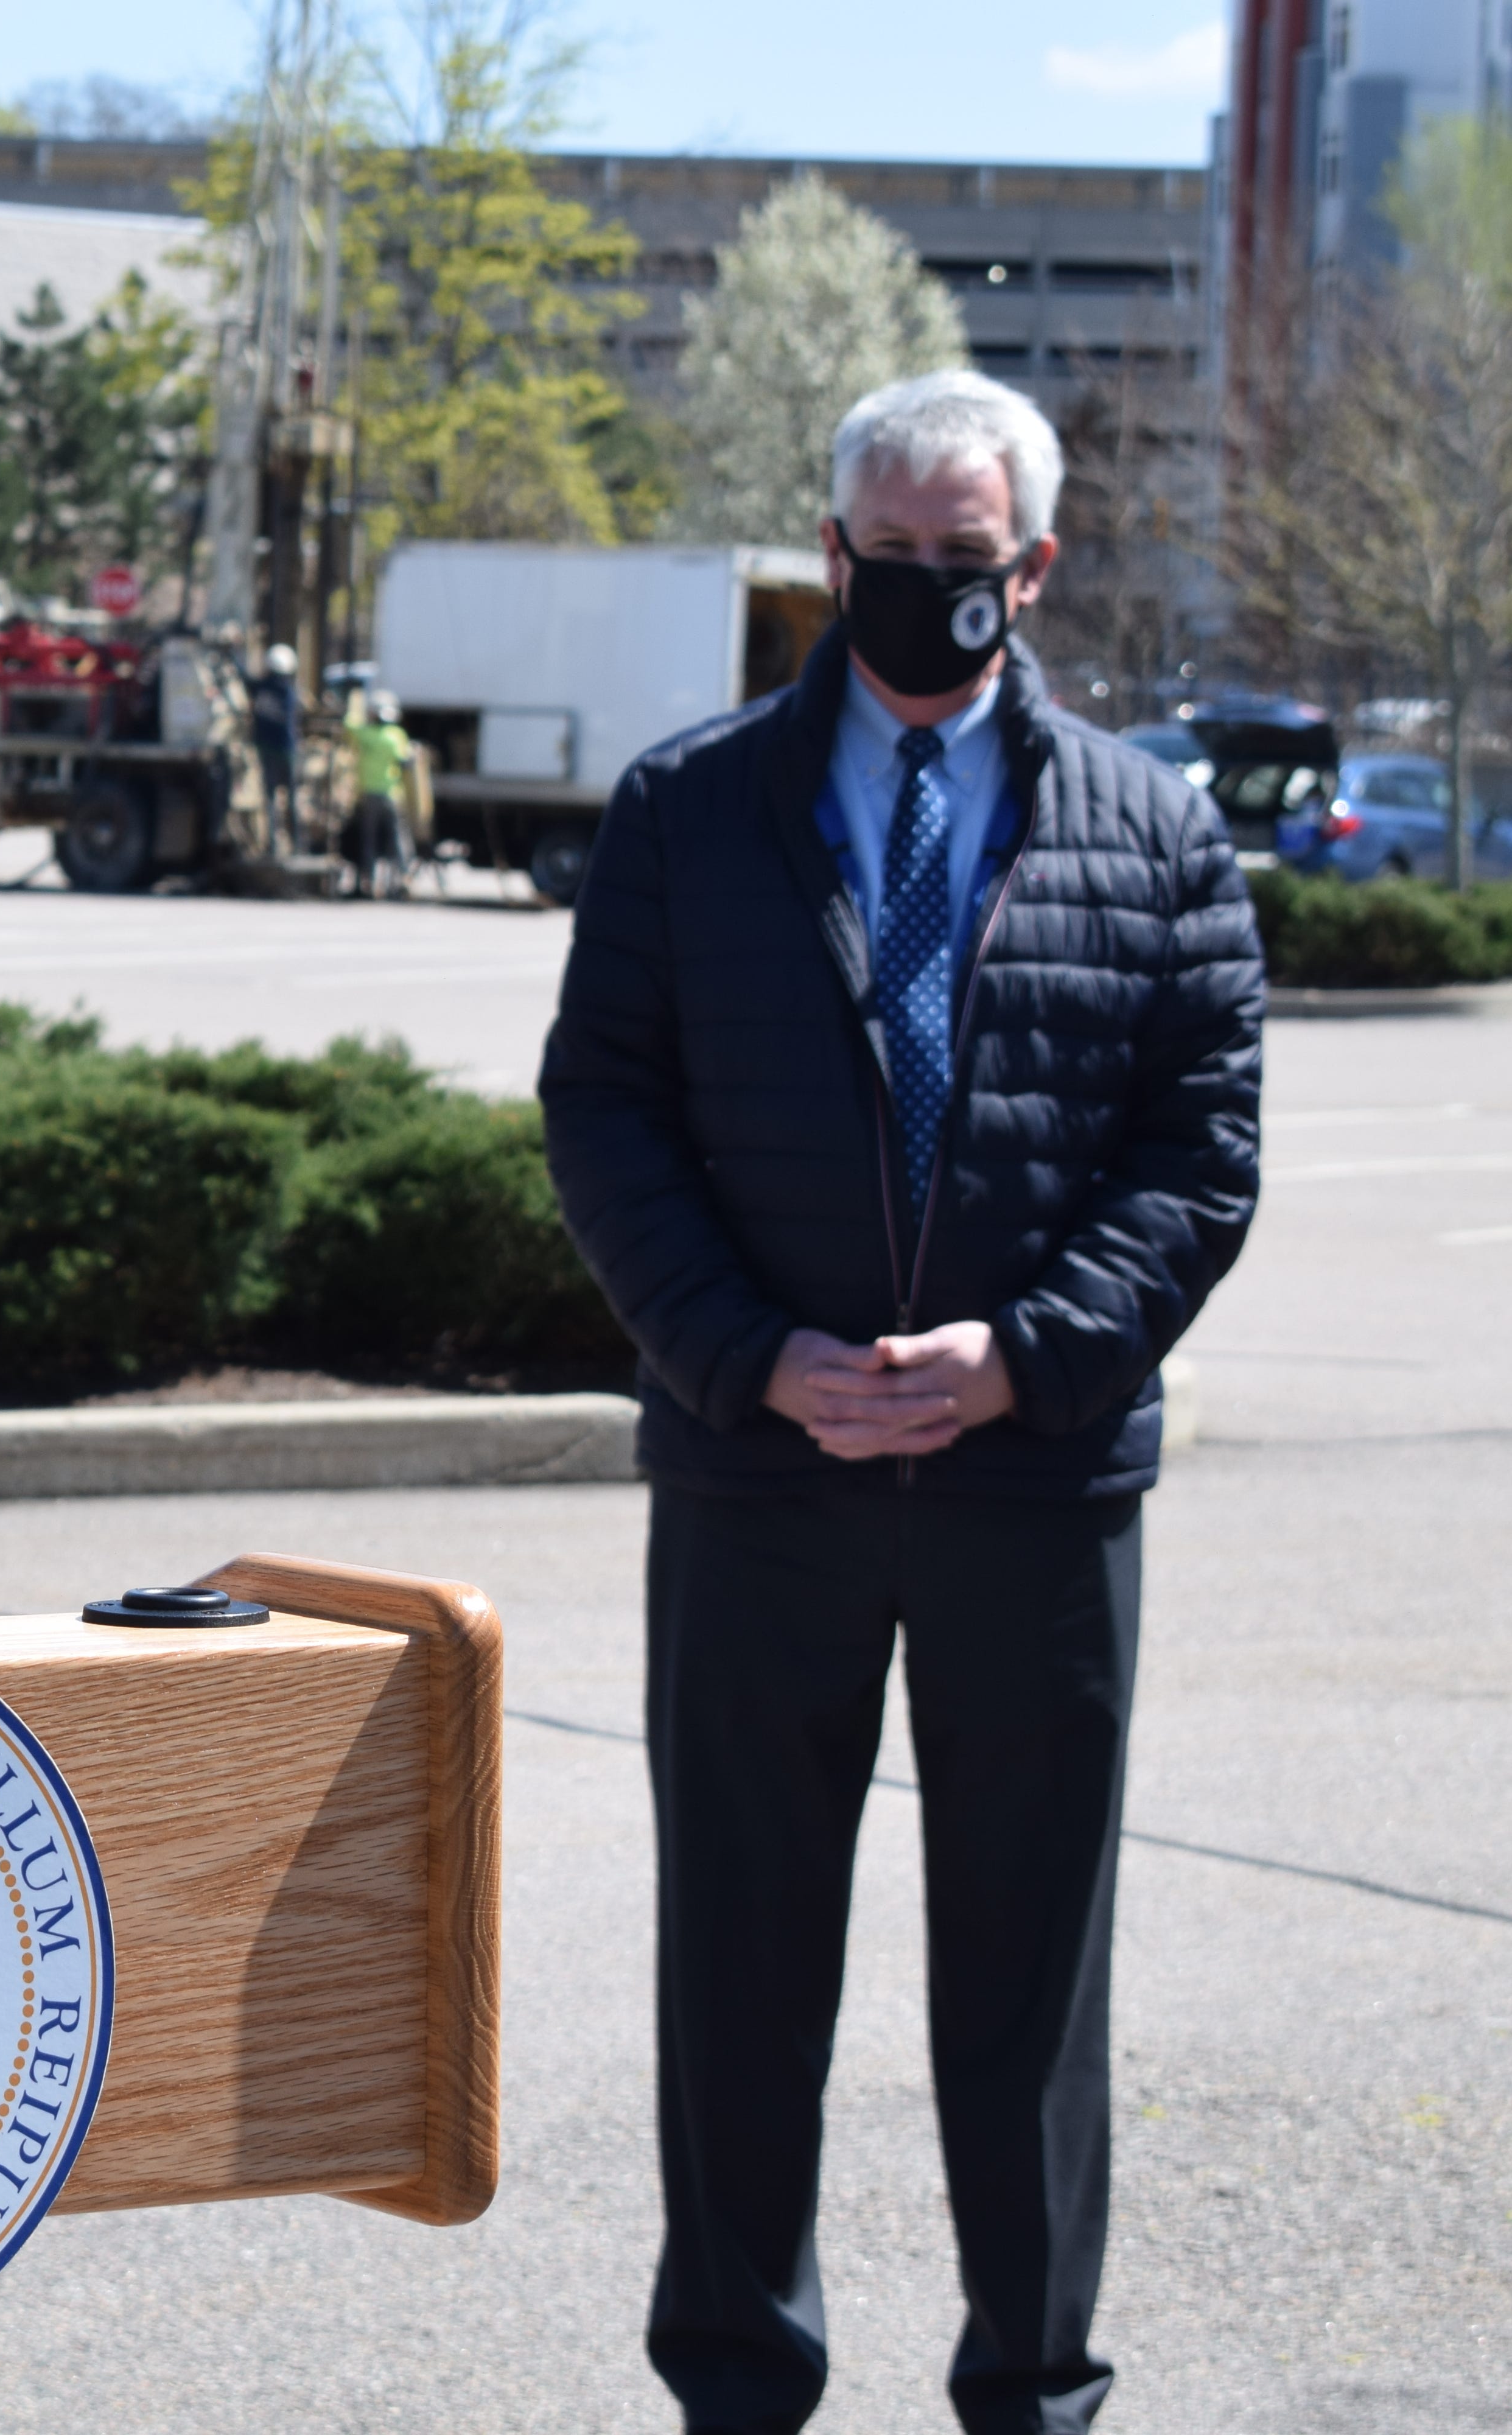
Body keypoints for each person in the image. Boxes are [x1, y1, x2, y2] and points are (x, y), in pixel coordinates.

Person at [538, 368, 1263, 2434]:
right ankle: (740, 2388)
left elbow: (1201, 1151)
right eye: (886, 554)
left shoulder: (1159, 826)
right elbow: (604, 1111)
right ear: (830, 550)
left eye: (967, 561)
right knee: (743, 1969)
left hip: (1034, 1493)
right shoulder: (692, 812)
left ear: (1031, 570)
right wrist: (749, 1356)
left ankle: (1034, 2390)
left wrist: (1021, 1358)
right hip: (762, 1483)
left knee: (1027, 1989)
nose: (922, 589)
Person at [343, 685, 415, 897]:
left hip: (368, 795)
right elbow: (406, 762)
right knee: (396, 839)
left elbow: (349, 724)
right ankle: (402, 878)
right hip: (391, 795)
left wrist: (355, 699)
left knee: (369, 840)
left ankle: (368, 882)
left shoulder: (365, 734)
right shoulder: (396, 736)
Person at [250, 640, 300, 816]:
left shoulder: (261, 687)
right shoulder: (289, 692)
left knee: (270, 796)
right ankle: (296, 839)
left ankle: (272, 841)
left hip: (266, 748)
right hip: (287, 749)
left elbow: (247, 681)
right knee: (292, 798)